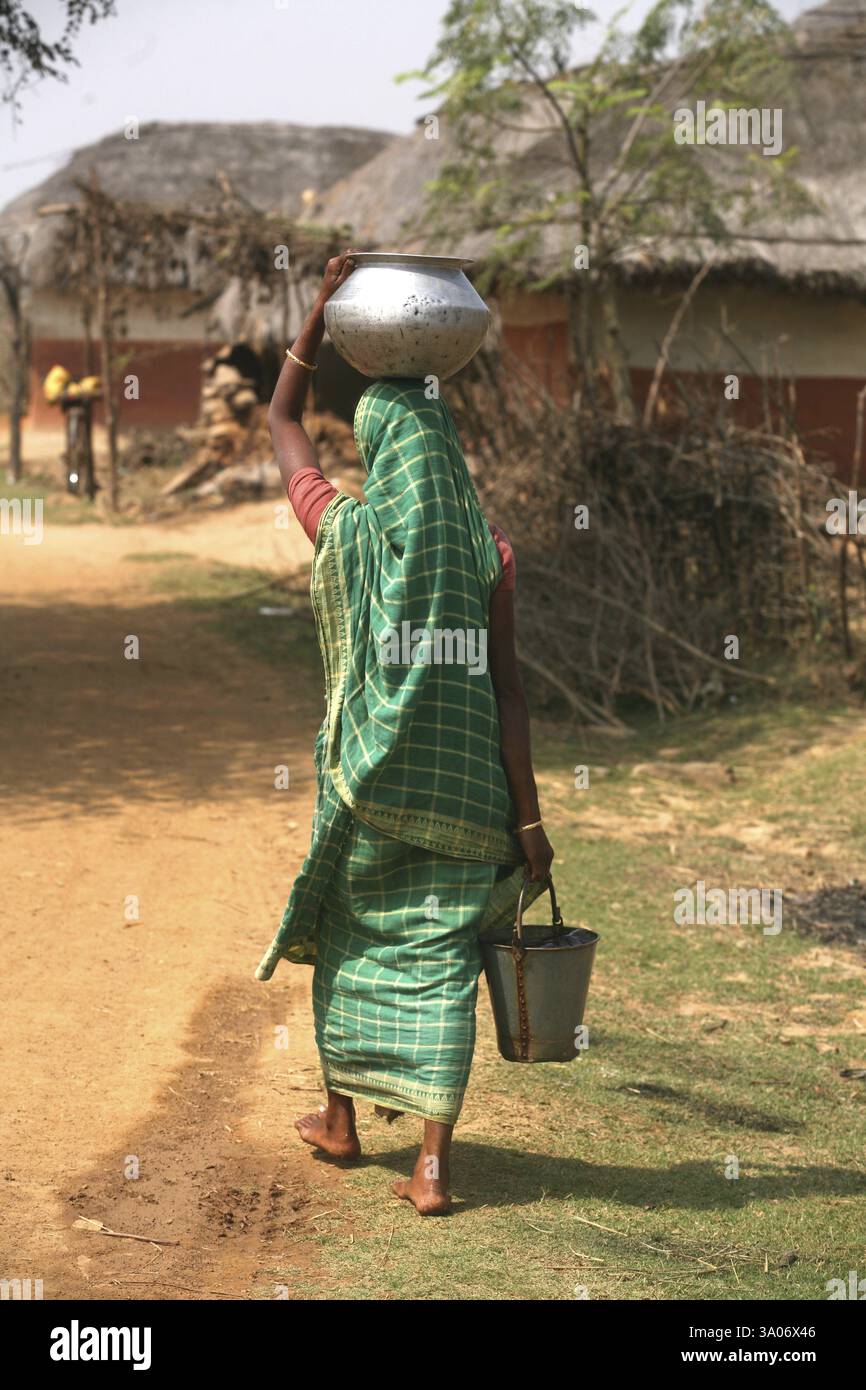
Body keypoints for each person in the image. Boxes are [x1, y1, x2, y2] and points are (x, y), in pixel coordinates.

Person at [255, 251, 554, 1215]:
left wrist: (316, 315)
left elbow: (282, 420)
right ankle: (431, 1167)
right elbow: (509, 693)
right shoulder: (491, 551)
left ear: (381, 457)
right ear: (448, 456)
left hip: (370, 786)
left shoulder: (345, 531)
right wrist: (530, 821)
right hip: (470, 796)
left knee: (351, 939)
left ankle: (340, 1121)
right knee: (436, 961)